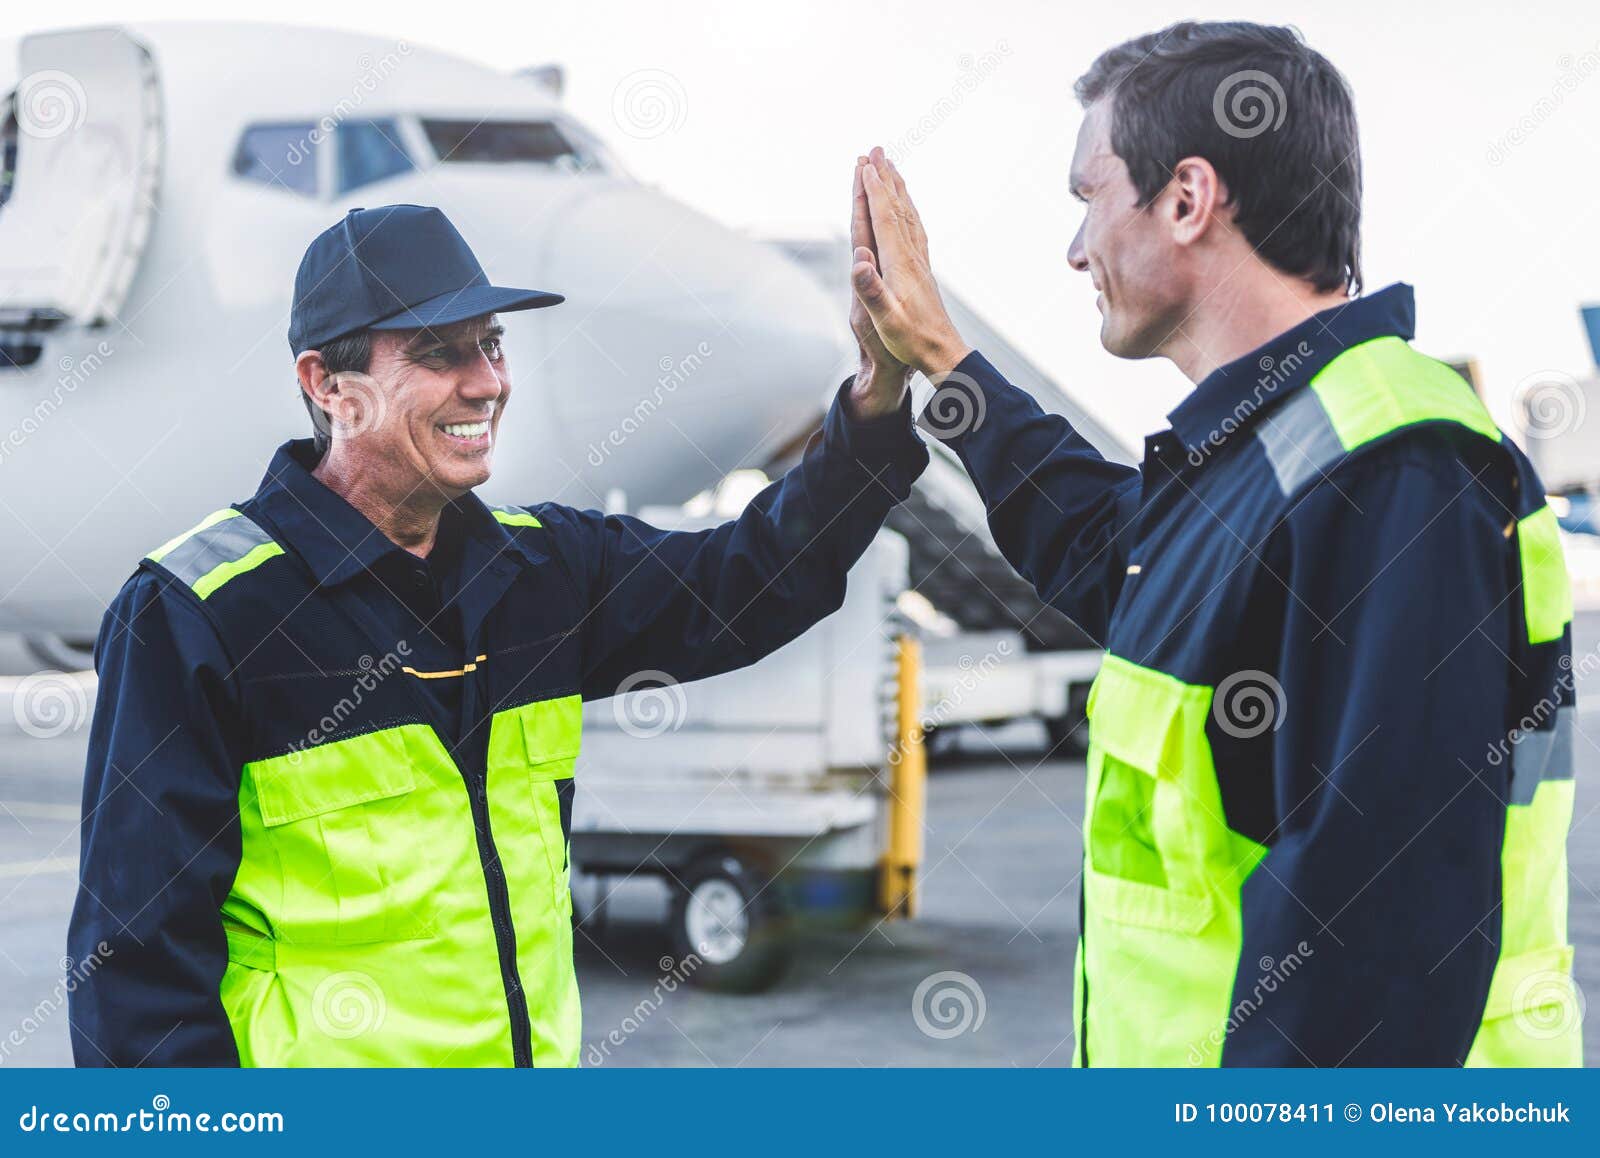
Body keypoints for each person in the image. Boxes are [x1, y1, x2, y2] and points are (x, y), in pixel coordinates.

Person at [848, 21, 1579, 1066]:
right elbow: (1111, 558)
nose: (1072, 249)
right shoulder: (1269, 453)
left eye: (1087, 197)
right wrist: (940, 359)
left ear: (1187, 200)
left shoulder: (1391, 467)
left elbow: (1371, 949)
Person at [67, 203, 927, 1066]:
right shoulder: (197, 615)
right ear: (330, 385)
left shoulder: (540, 571)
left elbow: (753, 578)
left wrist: (875, 401)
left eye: (492, 344)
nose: (486, 382)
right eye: (439, 352)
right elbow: (137, 977)